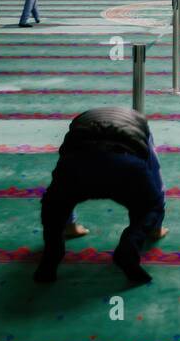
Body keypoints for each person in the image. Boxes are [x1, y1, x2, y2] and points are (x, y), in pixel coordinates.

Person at [33, 107, 168, 284]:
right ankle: (128, 248)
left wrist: (68, 223)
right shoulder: (141, 125)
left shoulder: (79, 124)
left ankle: (52, 255)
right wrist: (154, 225)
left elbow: (62, 171)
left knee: (54, 205)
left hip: (78, 164)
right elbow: (154, 171)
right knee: (149, 206)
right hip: (125, 165)